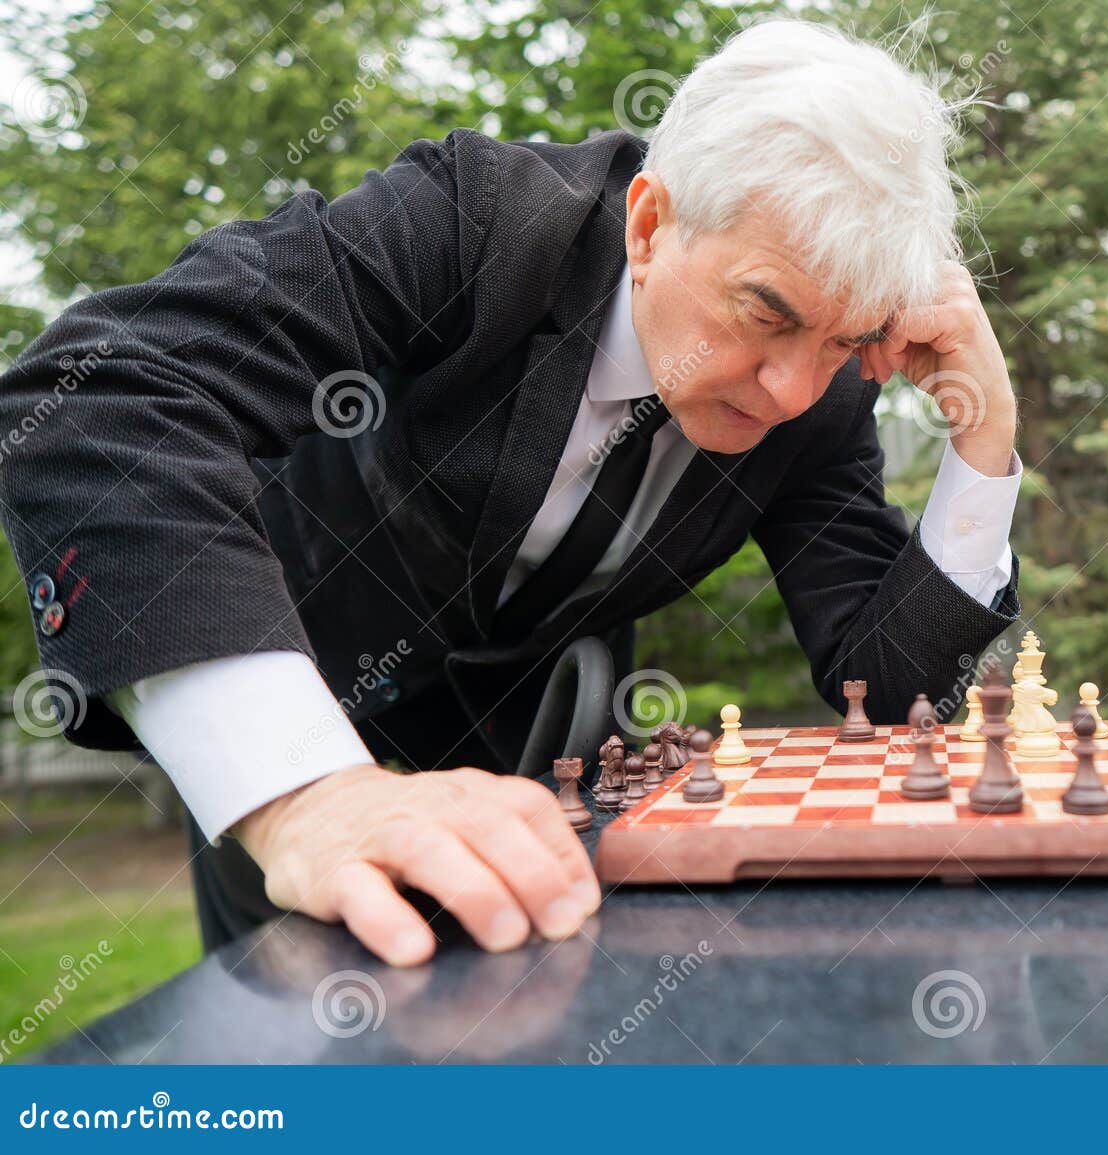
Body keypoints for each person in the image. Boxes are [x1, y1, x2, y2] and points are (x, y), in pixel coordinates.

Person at [0, 20, 1022, 966]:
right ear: (652, 222)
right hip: (284, 711)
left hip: (554, 771)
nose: (795, 389)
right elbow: (105, 396)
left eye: (841, 343)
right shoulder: (477, 220)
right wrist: (306, 793)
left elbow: (891, 696)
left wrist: (985, 431)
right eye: (764, 313)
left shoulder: (819, 404)